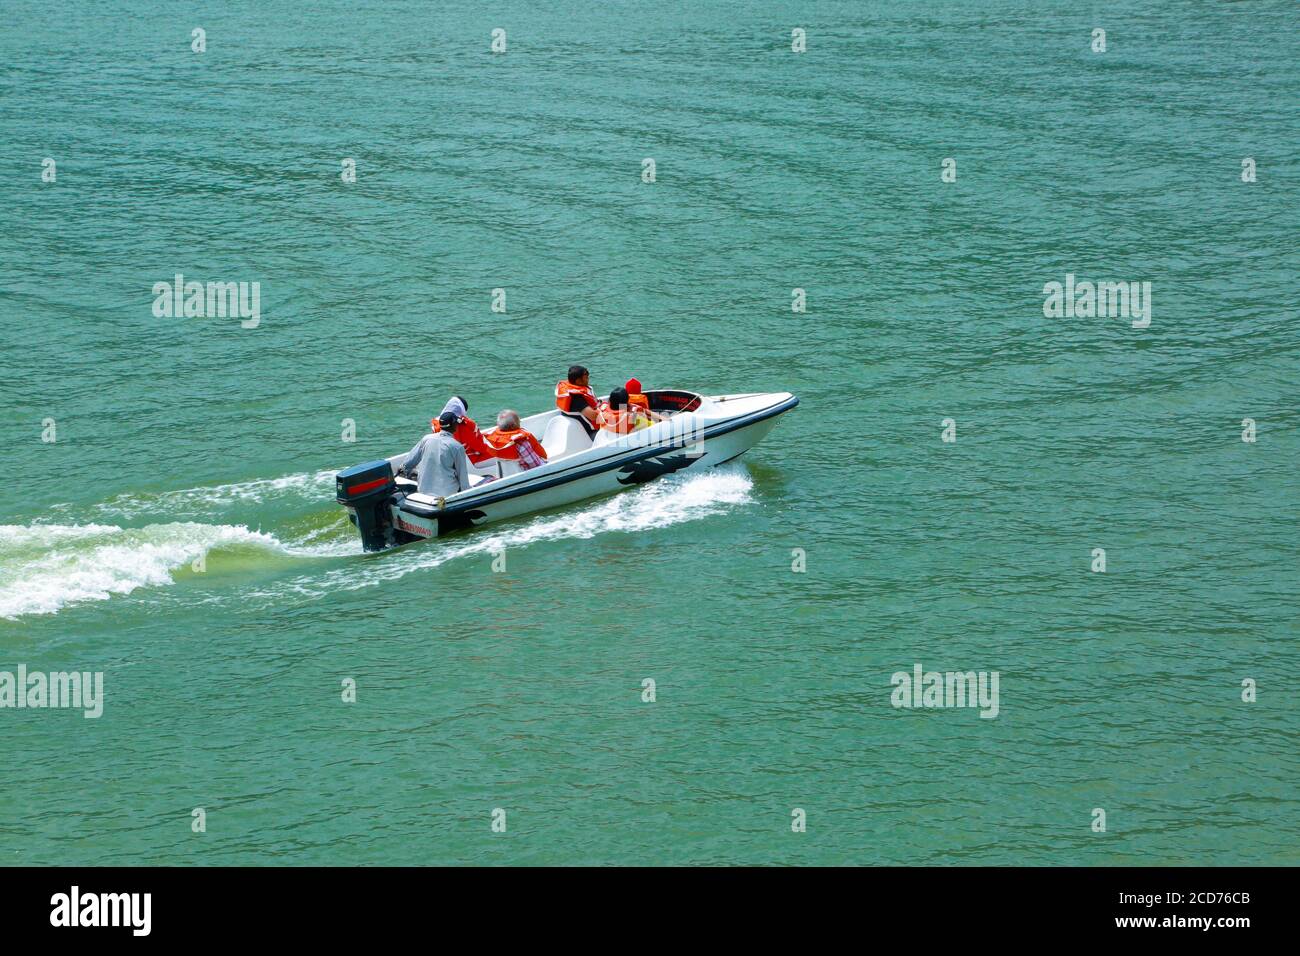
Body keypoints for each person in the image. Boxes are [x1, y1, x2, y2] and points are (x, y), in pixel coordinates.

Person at [399, 410, 471, 497]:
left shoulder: (426, 439)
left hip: (422, 490)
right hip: (446, 495)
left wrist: (402, 471)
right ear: (454, 425)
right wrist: (468, 493)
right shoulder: (457, 447)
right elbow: (462, 477)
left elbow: (407, 464)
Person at [431, 396, 498, 465]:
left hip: (449, 459)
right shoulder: (462, 427)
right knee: (503, 453)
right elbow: (480, 448)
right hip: (471, 459)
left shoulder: (438, 422)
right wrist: (497, 450)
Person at [555, 365, 600, 436]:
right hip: (590, 432)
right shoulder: (576, 398)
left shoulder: (572, 390)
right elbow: (593, 416)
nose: (588, 378)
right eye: (586, 377)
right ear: (578, 381)